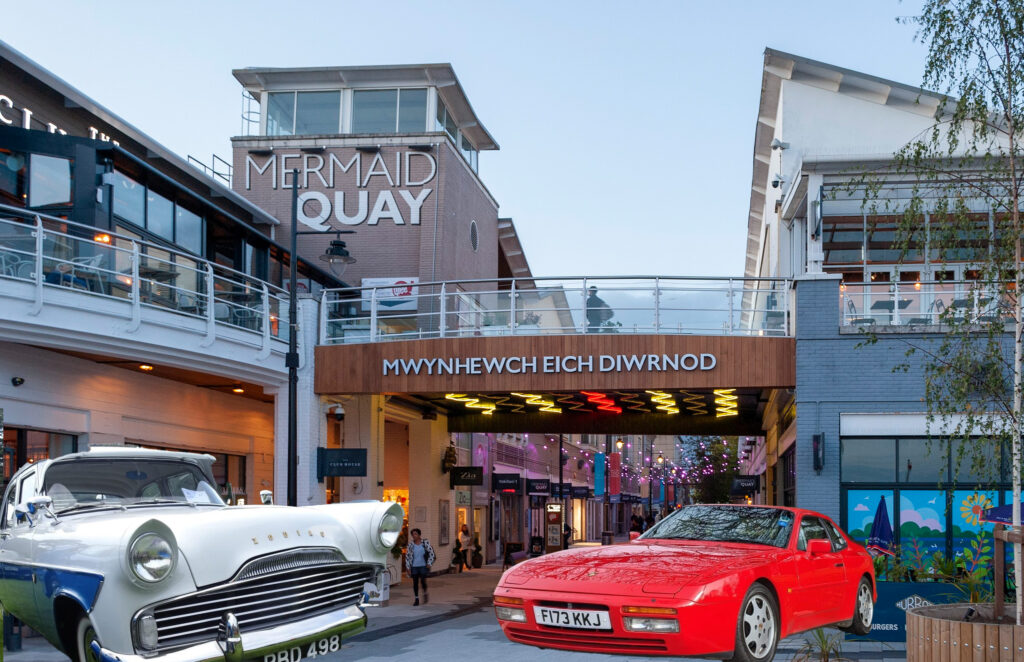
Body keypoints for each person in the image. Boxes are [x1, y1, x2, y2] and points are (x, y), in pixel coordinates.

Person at [404, 528, 434, 605]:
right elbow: (407, 556)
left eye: (415, 534)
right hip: (414, 566)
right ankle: (416, 598)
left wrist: (429, 563)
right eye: (413, 534)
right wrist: (408, 567)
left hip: (423, 566)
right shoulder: (410, 545)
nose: (414, 536)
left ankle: (425, 592)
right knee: (415, 583)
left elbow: (431, 553)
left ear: (419, 535)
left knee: (423, 581)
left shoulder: (425, 543)